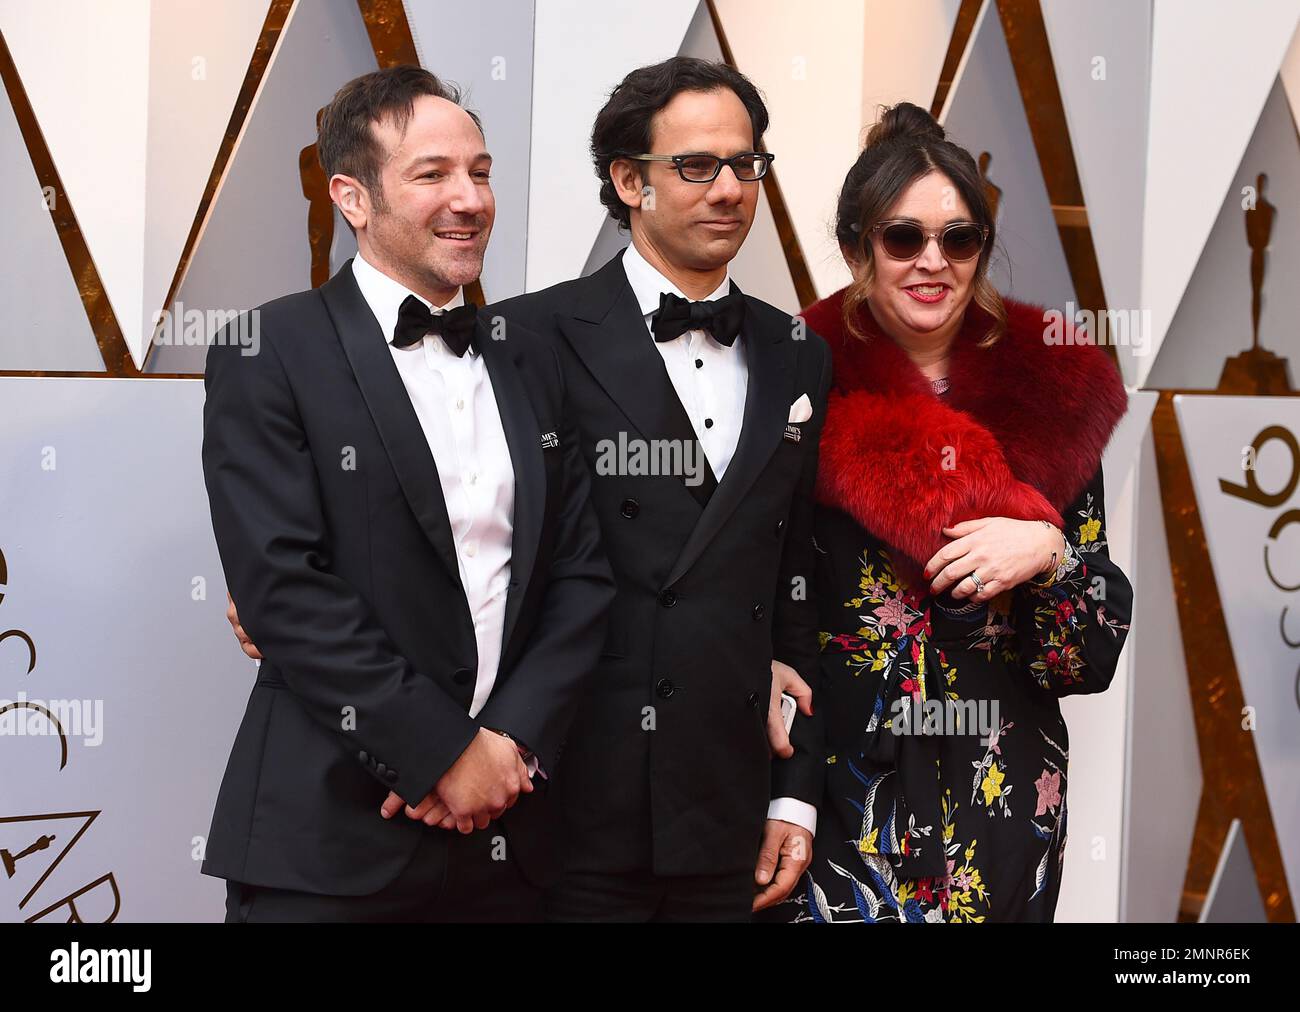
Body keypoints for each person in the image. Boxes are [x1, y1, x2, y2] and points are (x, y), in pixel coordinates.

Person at [202, 66, 614, 922]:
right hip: (327, 844)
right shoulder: (266, 347)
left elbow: (580, 574)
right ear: (353, 197)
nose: (469, 199)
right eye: (432, 175)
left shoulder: (529, 355)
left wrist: (505, 748)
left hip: (514, 840)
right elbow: (283, 586)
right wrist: (439, 753)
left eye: (482, 171)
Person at [762, 102, 1132, 923]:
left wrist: (1048, 551)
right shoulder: (792, 388)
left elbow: (1090, 656)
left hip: (999, 806)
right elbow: (749, 599)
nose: (933, 261)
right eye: (903, 238)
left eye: (959, 239)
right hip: (835, 800)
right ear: (859, 247)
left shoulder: (1053, 397)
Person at [491, 57, 832, 922]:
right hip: (568, 806)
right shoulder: (532, 335)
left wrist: (791, 795)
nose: (728, 189)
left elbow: (797, 582)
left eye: (745, 165)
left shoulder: (798, 352)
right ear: (628, 181)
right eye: (696, 165)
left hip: (726, 813)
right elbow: (469, 531)